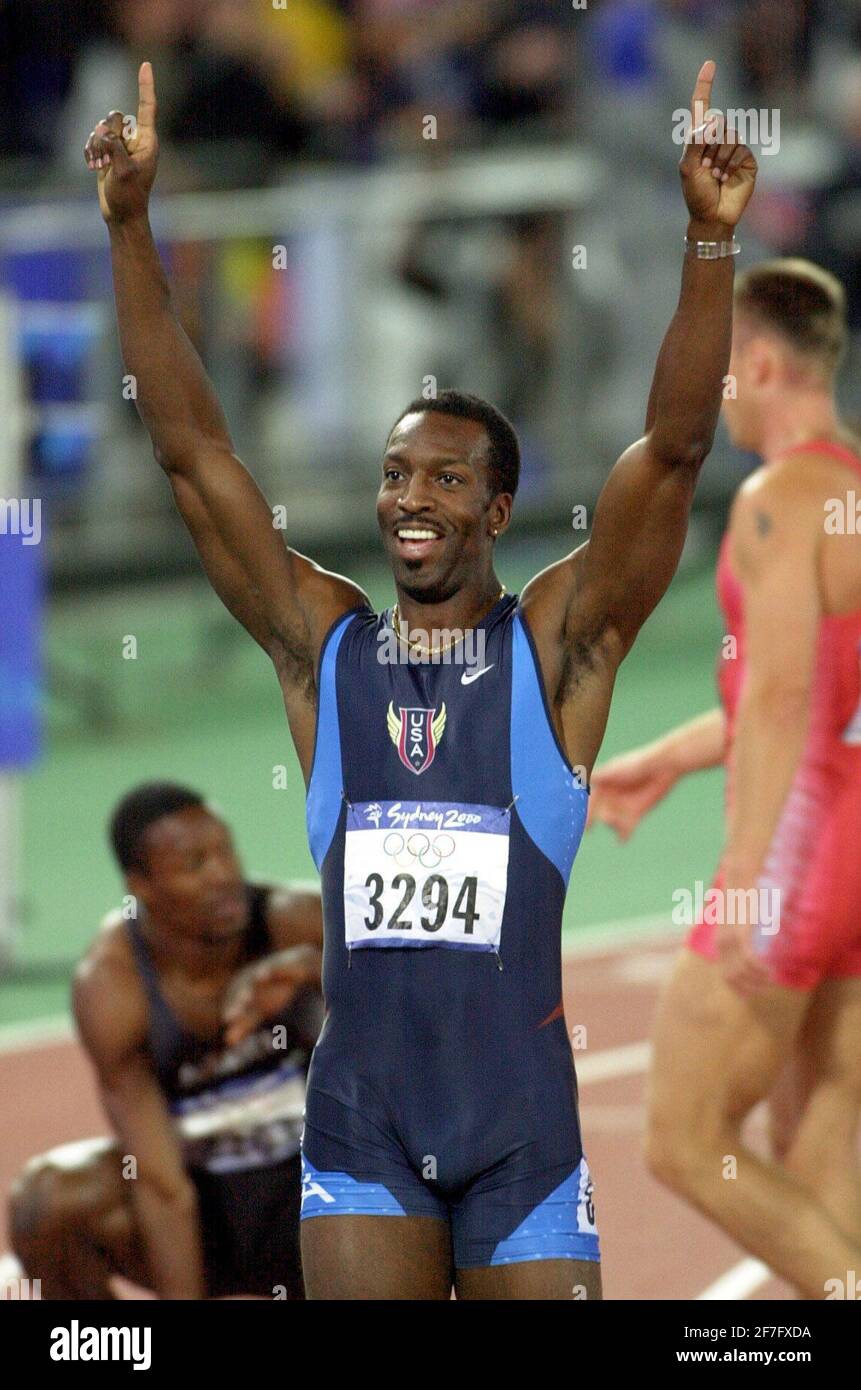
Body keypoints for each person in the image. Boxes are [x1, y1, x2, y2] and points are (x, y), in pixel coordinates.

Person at [81, 60, 755, 1299]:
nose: (410, 502)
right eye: (398, 476)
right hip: (362, 1132)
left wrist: (708, 245)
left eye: (445, 481)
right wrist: (130, 224)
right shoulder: (320, 644)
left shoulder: (559, 648)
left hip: (522, 1146)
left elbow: (674, 451)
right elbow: (190, 452)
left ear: (498, 509)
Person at [589, 259, 861, 1298]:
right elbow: (825, 702)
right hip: (854, 850)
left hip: (798, 853)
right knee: (816, 1136)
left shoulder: (775, 502)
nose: (713, 390)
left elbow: (786, 701)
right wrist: (670, 756)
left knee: (686, 1136)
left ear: (760, 361)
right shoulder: (850, 494)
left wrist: (745, 873)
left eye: (721, 370)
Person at [8, 783, 323, 1300]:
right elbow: (161, 1187)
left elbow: (412, 1030)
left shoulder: (299, 923)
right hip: (210, 1214)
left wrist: (318, 973)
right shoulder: (113, 985)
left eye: (225, 851)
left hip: (325, 1198)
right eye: (195, 864)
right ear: (141, 886)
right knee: (48, 1202)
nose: (224, 875)